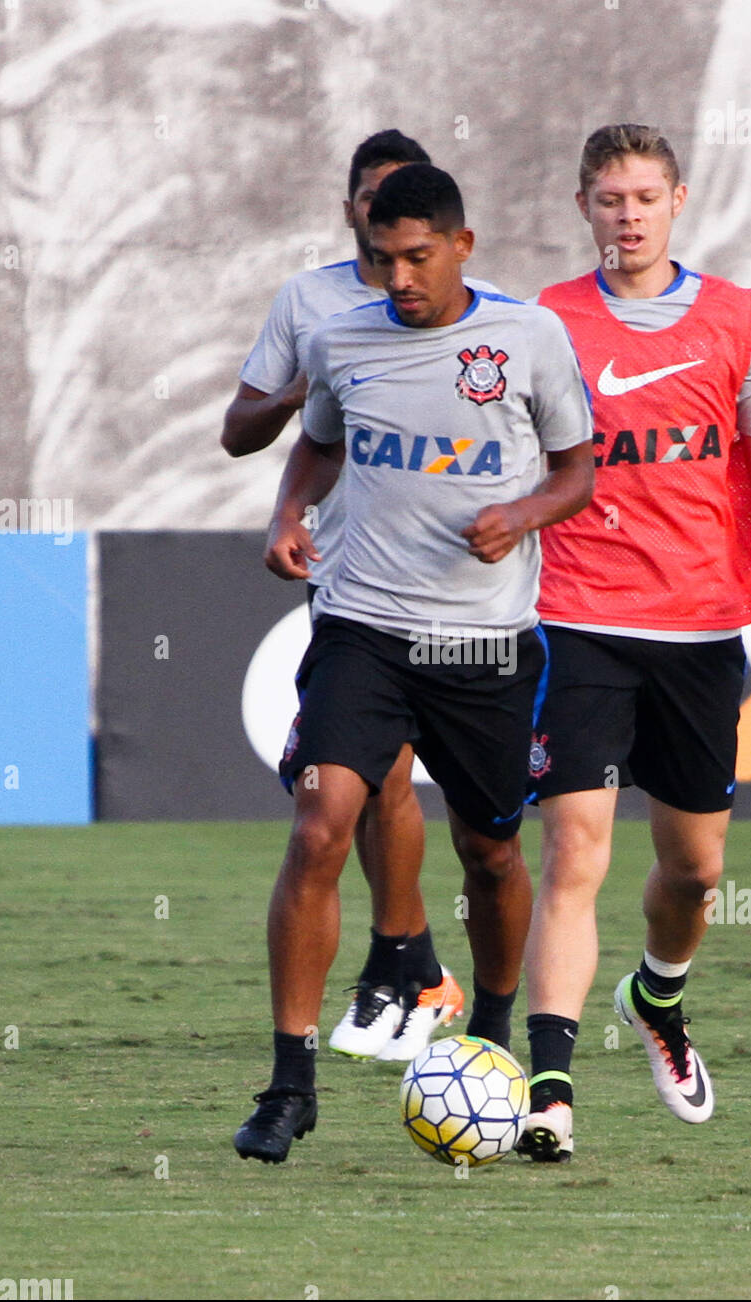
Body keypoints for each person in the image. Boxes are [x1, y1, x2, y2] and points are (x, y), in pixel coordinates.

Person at [233, 163, 594, 1162]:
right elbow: (314, 444)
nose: (398, 277)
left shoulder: (529, 338)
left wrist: (520, 513)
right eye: (383, 257)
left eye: (418, 256)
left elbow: (577, 470)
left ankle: (489, 1031)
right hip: (362, 627)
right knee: (319, 827)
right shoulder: (340, 335)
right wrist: (286, 512)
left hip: (483, 641)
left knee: (490, 853)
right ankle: (290, 1081)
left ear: (462, 246)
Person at [517, 123, 751, 1162]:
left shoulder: (737, 318)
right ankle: (549, 1088)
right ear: (584, 205)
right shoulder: (547, 321)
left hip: (696, 626)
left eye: (645, 196)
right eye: (609, 198)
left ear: (677, 200)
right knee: (574, 851)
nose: (627, 215)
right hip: (580, 616)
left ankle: (656, 999)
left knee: (694, 872)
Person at [222, 131, 499, 1062]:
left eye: (408, 225)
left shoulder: (489, 318)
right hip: (342, 581)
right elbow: (241, 430)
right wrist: (313, 382)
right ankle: (409, 965)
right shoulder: (311, 305)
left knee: (417, 797)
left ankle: (411, 966)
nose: (391, 248)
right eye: (371, 205)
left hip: (450, 593)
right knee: (362, 787)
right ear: (352, 211)